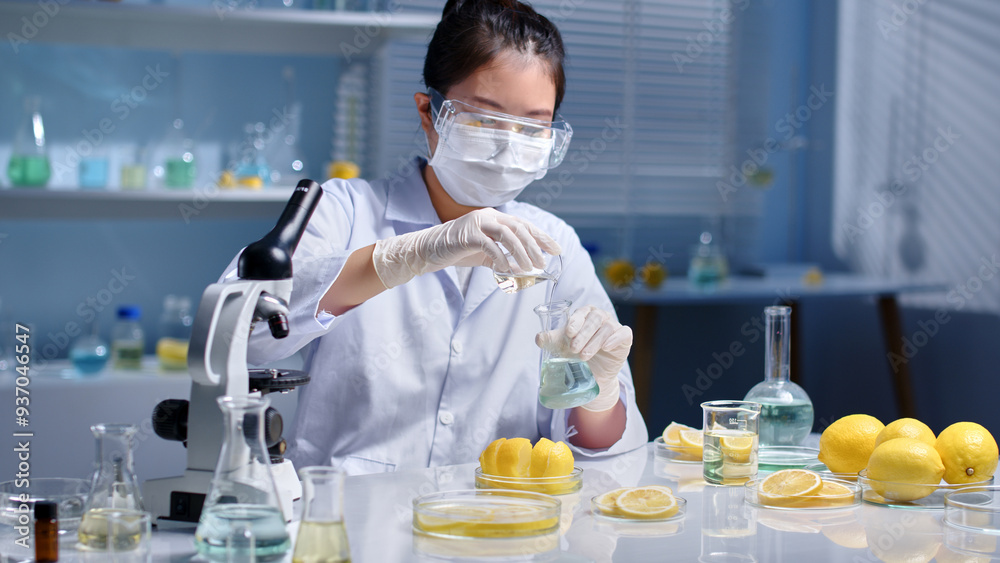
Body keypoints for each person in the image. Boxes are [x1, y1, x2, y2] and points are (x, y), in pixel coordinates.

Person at [222, 0, 647, 475]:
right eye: (485, 118)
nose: (509, 144)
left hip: (498, 528)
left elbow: (602, 449)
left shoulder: (557, 247)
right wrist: (406, 255)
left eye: (533, 126)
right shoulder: (345, 211)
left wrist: (599, 390)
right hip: (348, 529)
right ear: (430, 113)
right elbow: (237, 337)